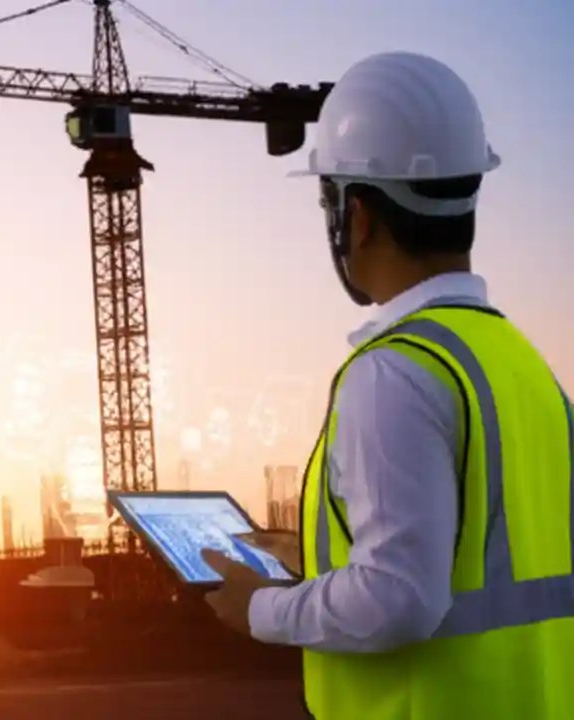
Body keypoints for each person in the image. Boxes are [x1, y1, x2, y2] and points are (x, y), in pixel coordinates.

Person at [199, 51, 574, 719]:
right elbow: (483, 555)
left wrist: (259, 608)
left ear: (359, 215)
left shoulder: (393, 373)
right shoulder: (522, 364)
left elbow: (399, 597)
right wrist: (315, 554)